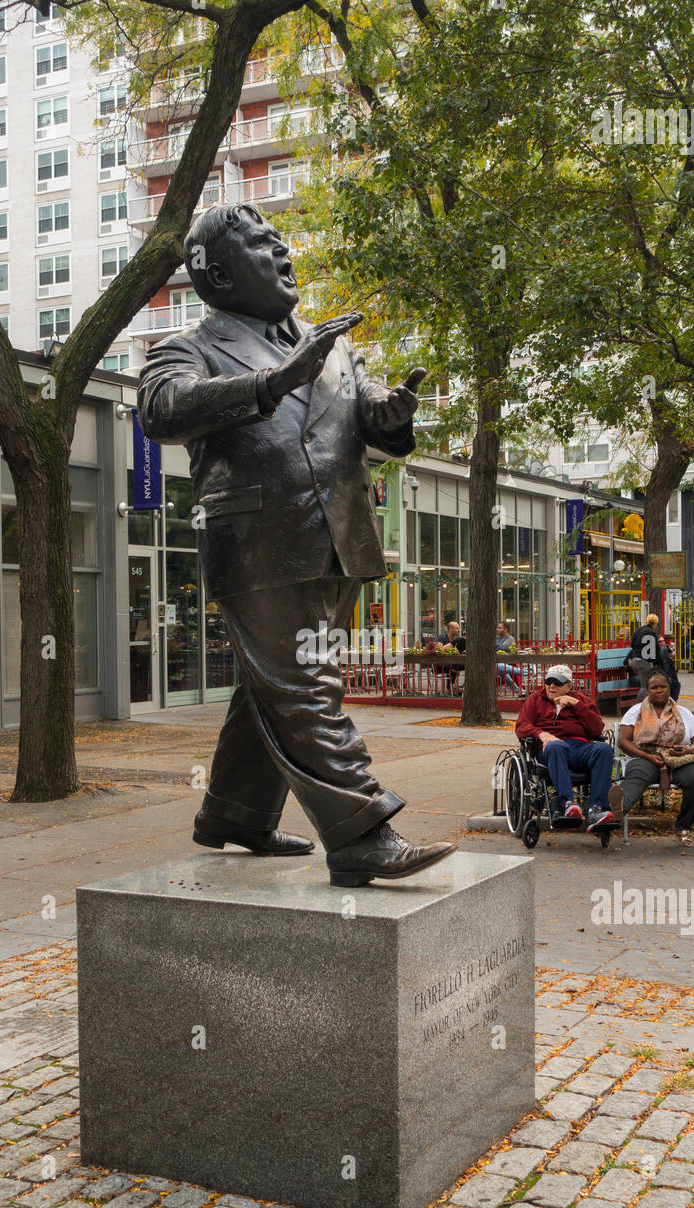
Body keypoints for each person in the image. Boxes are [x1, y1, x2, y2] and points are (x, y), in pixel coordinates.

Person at [138, 203, 455, 887]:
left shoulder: (332, 342)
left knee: (271, 688)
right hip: (257, 547)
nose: (283, 252)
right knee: (307, 687)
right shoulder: (187, 347)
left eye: (282, 240)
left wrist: (390, 419)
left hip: (337, 539)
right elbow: (160, 410)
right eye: (263, 244)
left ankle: (234, 813)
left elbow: (365, 413)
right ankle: (361, 833)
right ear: (217, 273)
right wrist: (277, 380)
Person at [610, 671, 694, 846]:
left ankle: (683, 826)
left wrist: (686, 750)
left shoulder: (683, 712)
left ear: (670, 688)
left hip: (678, 759)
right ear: (648, 690)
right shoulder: (635, 711)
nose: (659, 690)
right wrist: (647, 756)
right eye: (654, 687)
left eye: (663, 686)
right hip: (644, 757)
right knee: (637, 776)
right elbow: (623, 741)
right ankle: (617, 808)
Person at [514, 664, 615, 830]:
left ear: (569, 686)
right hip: (549, 750)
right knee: (556, 746)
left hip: (579, 748)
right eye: (549, 681)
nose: (552, 686)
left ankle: (596, 809)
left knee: (603, 749)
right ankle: (568, 804)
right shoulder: (536, 699)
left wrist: (577, 705)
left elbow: (597, 729)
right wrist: (541, 734)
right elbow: (521, 726)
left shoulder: (580, 700)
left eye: (558, 682)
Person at [628, 612, 661, 698]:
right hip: (645, 662)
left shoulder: (639, 630)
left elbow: (632, 644)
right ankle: (641, 705)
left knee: (644, 683)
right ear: (655, 623)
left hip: (634, 661)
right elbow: (656, 650)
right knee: (645, 686)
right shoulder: (652, 633)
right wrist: (658, 663)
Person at [436, 620, 465, 694]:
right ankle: (451, 688)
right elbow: (439, 650)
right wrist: (451, 650)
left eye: (458, 628)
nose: (458, 630)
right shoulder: (442, 637)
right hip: (442, 664)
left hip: (453, 663)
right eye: (457, 628)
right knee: (453, 668)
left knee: (467, 665)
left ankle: (462, 687)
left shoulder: (457, 640)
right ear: (450, 629)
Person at [496, 621, 523, 694]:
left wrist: (494, 645)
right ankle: (517, 687)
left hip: (507, 661)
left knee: (501, 668)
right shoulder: (497, 637)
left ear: (505, 629)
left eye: (499, 628)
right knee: (501, 669)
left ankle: (525, 672)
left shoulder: (510, 638)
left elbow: (503, 647)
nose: (497, 629)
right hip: (497, 662)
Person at [657, 633, 681, 701]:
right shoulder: (657, 652)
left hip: (668, 674)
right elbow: (664, 665)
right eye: (660, 641)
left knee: (677, 684)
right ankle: (669, 702)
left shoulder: (665, 649)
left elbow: (671, 653)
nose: (662, 642)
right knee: (670, 684)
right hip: (661, 675)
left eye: (663, 641)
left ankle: (673, 702)